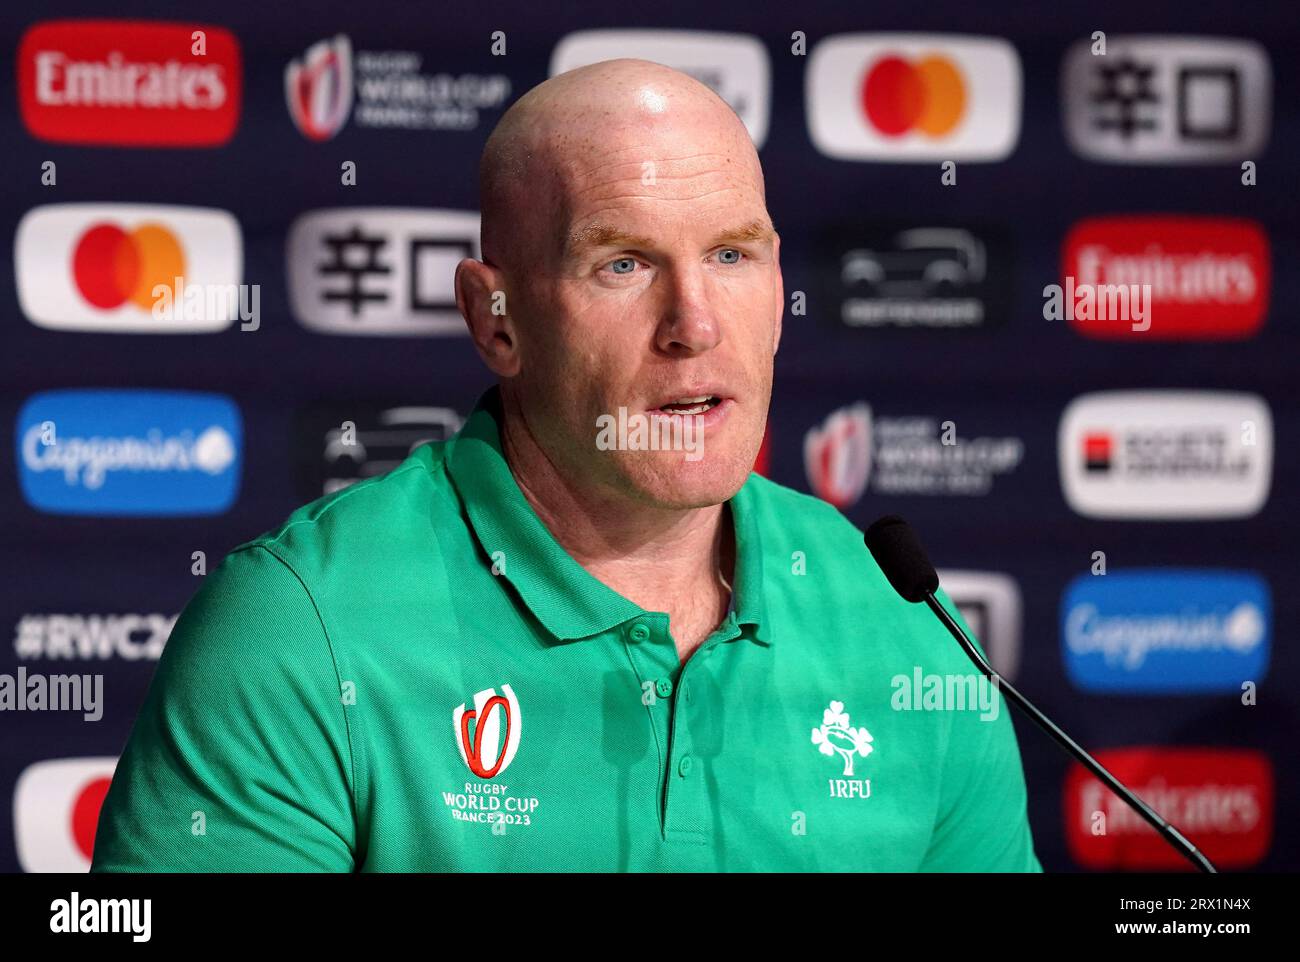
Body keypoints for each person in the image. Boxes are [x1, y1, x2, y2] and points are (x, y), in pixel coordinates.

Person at [91, 58, 1041, 872]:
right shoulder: (298, 632)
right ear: (493, 321)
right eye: (622, 264)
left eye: (731, 254)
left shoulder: (900, 617)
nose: (695, 324)